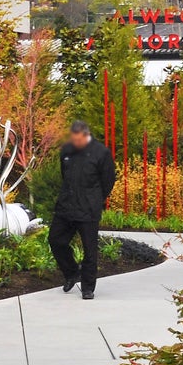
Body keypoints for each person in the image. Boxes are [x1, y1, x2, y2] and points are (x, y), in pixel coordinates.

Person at [48, 119, 116, 299]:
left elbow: (108, 180)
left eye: (79, 140)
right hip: (66, 206)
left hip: (88, 209)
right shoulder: (67, 151)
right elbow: (65, 175)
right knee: (55, 240)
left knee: (89, 250)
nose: (76, 143)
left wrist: (95, 199)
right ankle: (71, 272)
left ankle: (88, 288)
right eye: (73, 139)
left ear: (86, 136)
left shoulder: (101, 153)